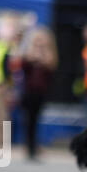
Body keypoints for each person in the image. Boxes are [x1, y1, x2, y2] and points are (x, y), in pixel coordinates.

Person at [19, 27, 56, 160]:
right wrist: (33, 58)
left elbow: (51, 72)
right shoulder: (28, 56)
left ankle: (34, 145)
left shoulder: (49, 57)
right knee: (28, 119)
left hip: (41, 93)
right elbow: (23, 68)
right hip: (29, 92)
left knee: (36, 119)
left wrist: (43, 59)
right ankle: (29, 146)